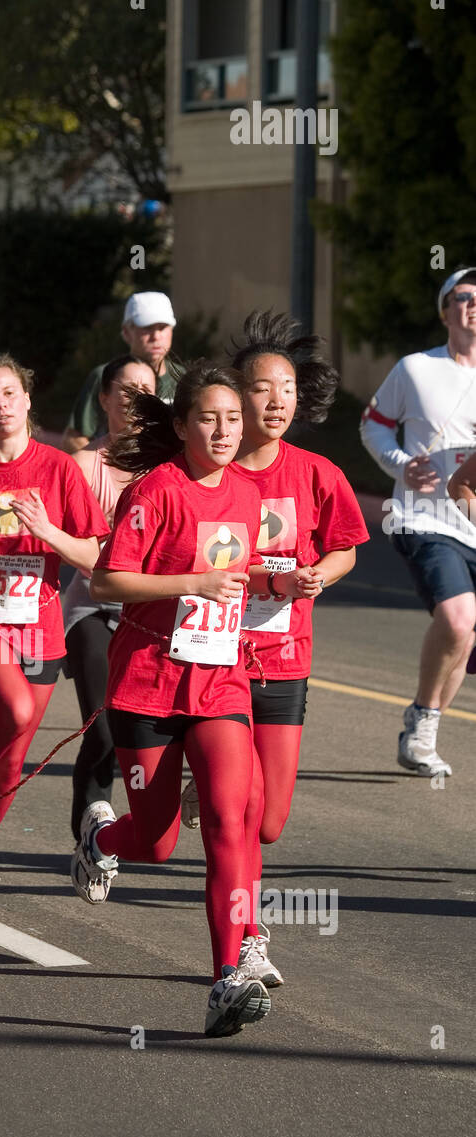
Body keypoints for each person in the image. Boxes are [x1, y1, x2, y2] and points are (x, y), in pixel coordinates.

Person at [72, 364, 272, 1038]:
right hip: (150, 682)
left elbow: (241, 572)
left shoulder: (249, 493)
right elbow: (106, 583)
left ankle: (228, 976)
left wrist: (280, 581)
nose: (224, 431)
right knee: (153, 843)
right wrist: (192, 582)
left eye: (233, 419)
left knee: (229, 821)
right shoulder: (154, 490)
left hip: (220, 681)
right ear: (182, 425)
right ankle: (99, 837)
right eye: (209, 418)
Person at [179, 313, 368, 984]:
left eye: (287, 388)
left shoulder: (317, 473)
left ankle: (203, 784)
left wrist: (320, 575)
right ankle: (249, 937)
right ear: (237, 395)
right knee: (243, 809)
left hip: (285, 658)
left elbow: (345, 546)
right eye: (263, 388)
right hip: (216, 657)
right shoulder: (203, 475)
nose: (278, 400)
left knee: (270, 822)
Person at [0, 355, 108, 917]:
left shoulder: (59, 469)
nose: (0, 405)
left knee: (11, 766)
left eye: (9, 393)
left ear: (28, 400)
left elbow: (95, 558)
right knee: (12, 709)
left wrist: (48, 532)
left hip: (39, 628)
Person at [360, 266, 476, 776]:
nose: (474, 304)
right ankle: (424, 722)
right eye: (464, 296)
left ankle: (422, 728)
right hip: (424, 516)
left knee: (465, 637)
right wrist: (402, 464)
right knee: (457, 618)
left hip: (473, 520)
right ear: (445, 310)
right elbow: (373, 425)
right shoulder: (415, 369)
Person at [63, 354, 158, 839]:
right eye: (127, 390)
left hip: (157, 614)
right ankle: (92, 835)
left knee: (148, 731)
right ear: (104, 399)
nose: (138, 400)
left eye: (148, 390)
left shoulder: (173, 467)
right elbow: (78, 549)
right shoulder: (84, 465)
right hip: (94, 606)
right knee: (102, 725)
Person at [63, 292, 183, 452]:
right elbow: (72, 438)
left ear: (172, 331)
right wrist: (108, 463)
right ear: (126, 332)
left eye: (162, 327)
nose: (156, 336)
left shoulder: (184, 379)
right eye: (147, 328)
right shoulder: (104, 375)